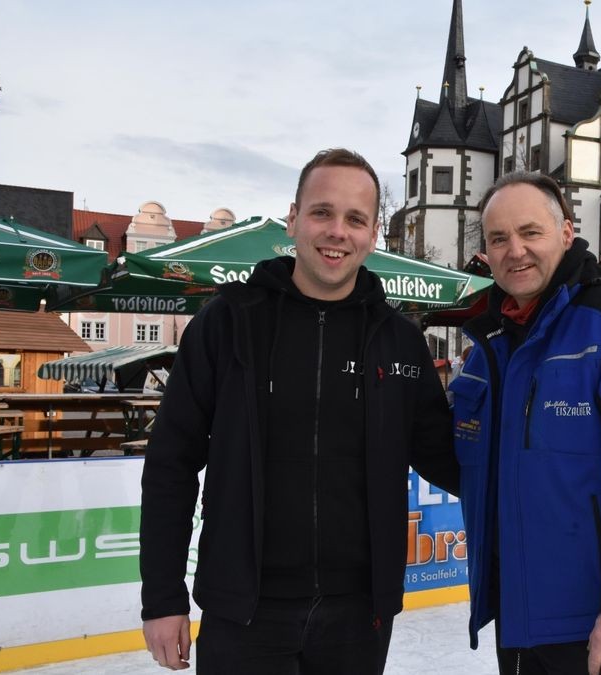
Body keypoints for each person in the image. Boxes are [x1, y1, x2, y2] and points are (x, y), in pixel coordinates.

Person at [139, 148, 458, 674]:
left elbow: (445, 456)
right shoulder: (228, 323)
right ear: (293, 219)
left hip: (359, 616)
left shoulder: (400, 340)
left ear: (373, 233)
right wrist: (163, 598)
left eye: (355, 219)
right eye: (322, 213)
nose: (338, 231)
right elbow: (171, 464)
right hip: (244, 612)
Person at [448, 172, 601, 675]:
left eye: (530, 232)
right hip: (516, 616)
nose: (514, 250)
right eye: (498, 238)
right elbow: (469, 461)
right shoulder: (490, 346)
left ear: (566, 232)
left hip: (596, 624)